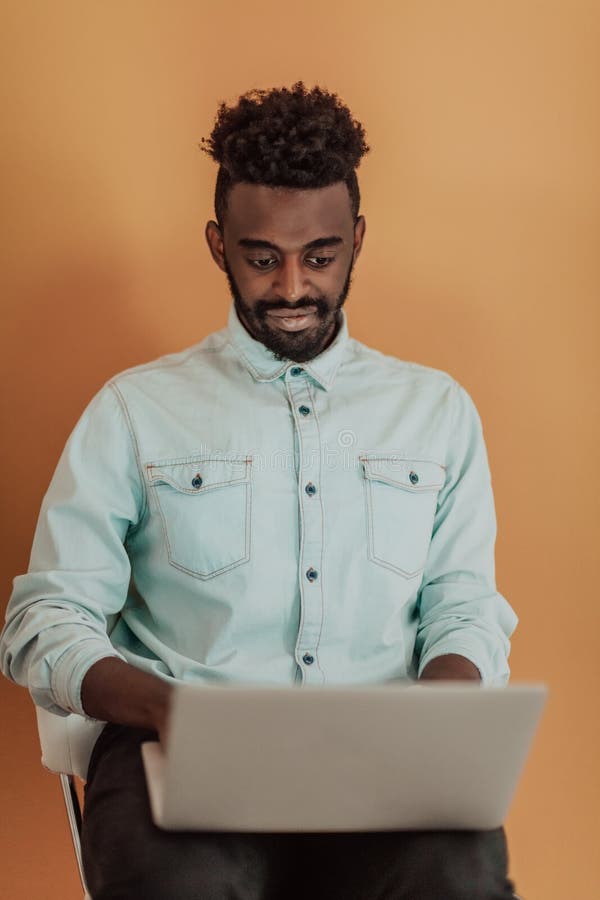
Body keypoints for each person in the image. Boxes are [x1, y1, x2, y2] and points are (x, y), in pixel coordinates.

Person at [1, 82, 519, 899]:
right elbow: (44, 619)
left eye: (319, 256)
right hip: (174, 748)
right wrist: (172, 711)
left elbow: (464, 603)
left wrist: (435, 718)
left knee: (459, 873)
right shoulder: (136, 410)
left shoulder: (437, 411)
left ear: (356, 239)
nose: (289, 290)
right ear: (217, 245)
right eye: (260, 257)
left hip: (378, 754)